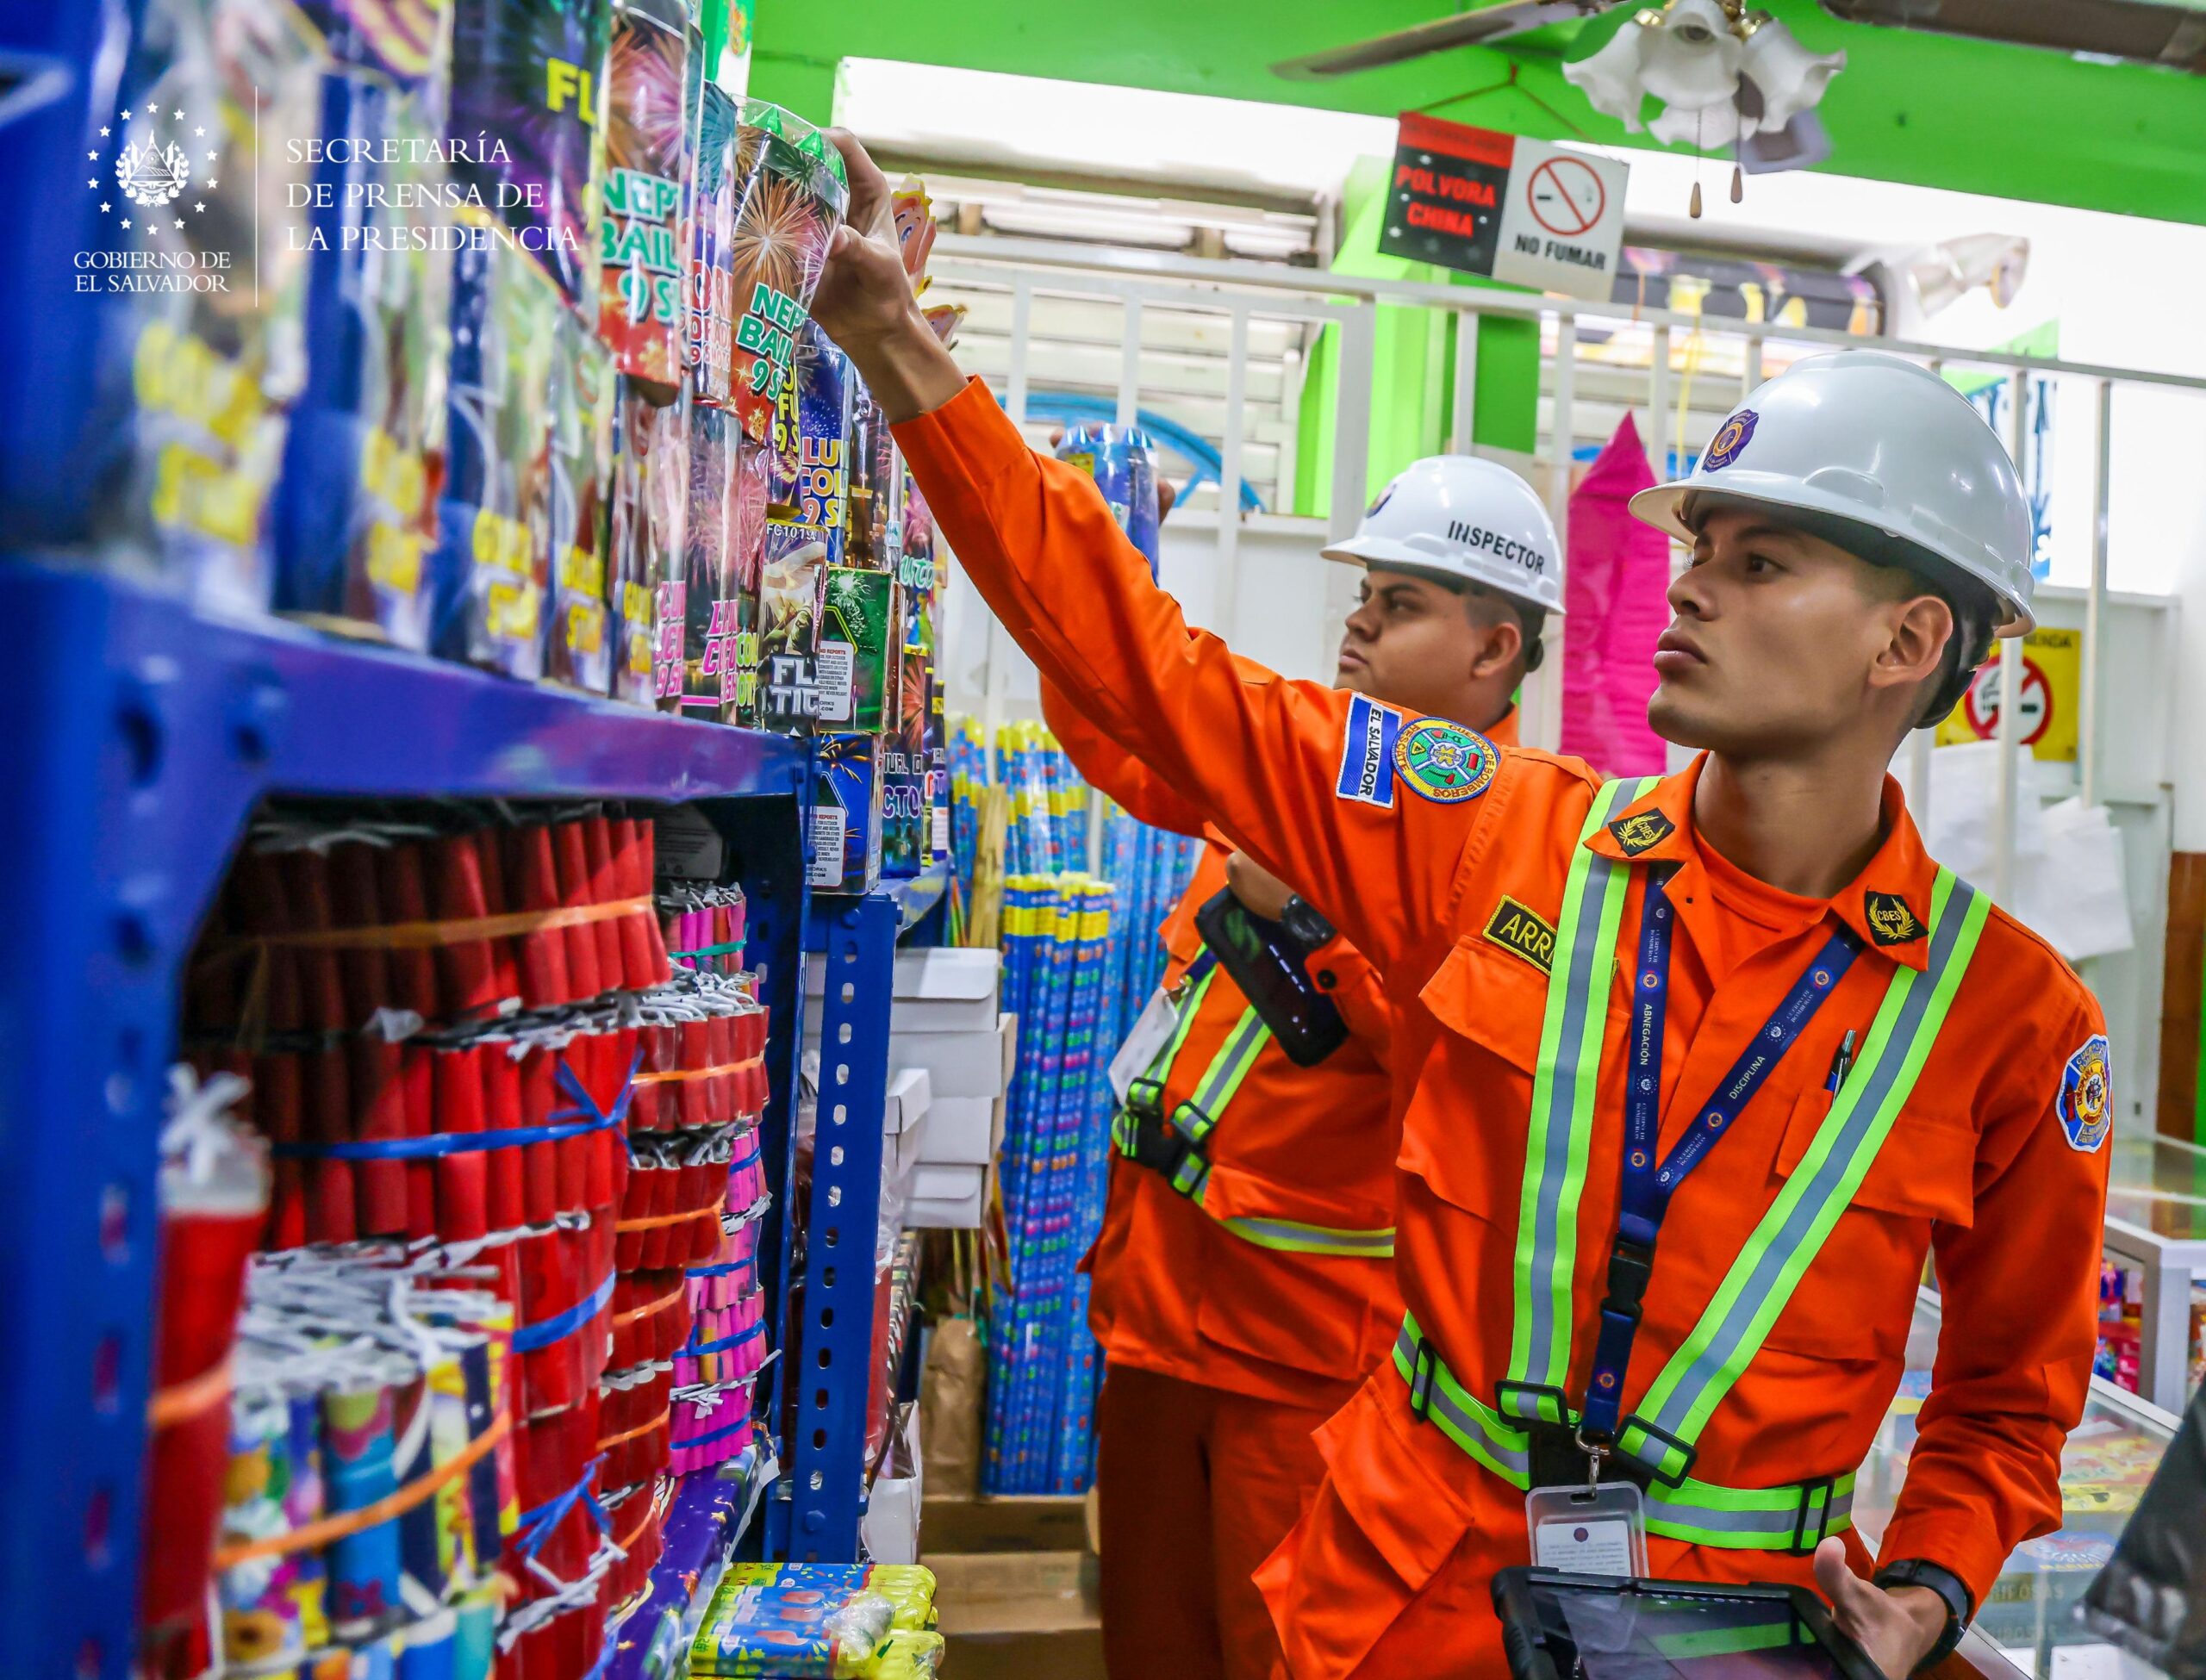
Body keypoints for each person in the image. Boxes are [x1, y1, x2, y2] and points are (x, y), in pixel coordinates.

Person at [809, 133, 2110, 1679]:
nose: (1688, 586)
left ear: (1909, 642)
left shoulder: (2017, 1025)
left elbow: (2013, 1395)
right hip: (1397, 1583)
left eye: (1760, 563)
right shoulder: (1495, 834)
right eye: (1697, 546)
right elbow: (1161, 683)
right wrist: (892, 341)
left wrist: (1937, 1585)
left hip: (1724, 1639)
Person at [1048, 451, 1560, 1680]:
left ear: (1494, 651)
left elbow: (1462, 1056)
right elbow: (1126, 731)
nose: (1361, 619)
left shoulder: (1529, 844)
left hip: (1304, 1363)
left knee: (1271, 1652)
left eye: (1402, 603)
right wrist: (1105, 568)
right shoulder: (1318, 763)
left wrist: (1314, 928)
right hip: (1156, 1314)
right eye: (1367, 591)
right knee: (1154, 1646)